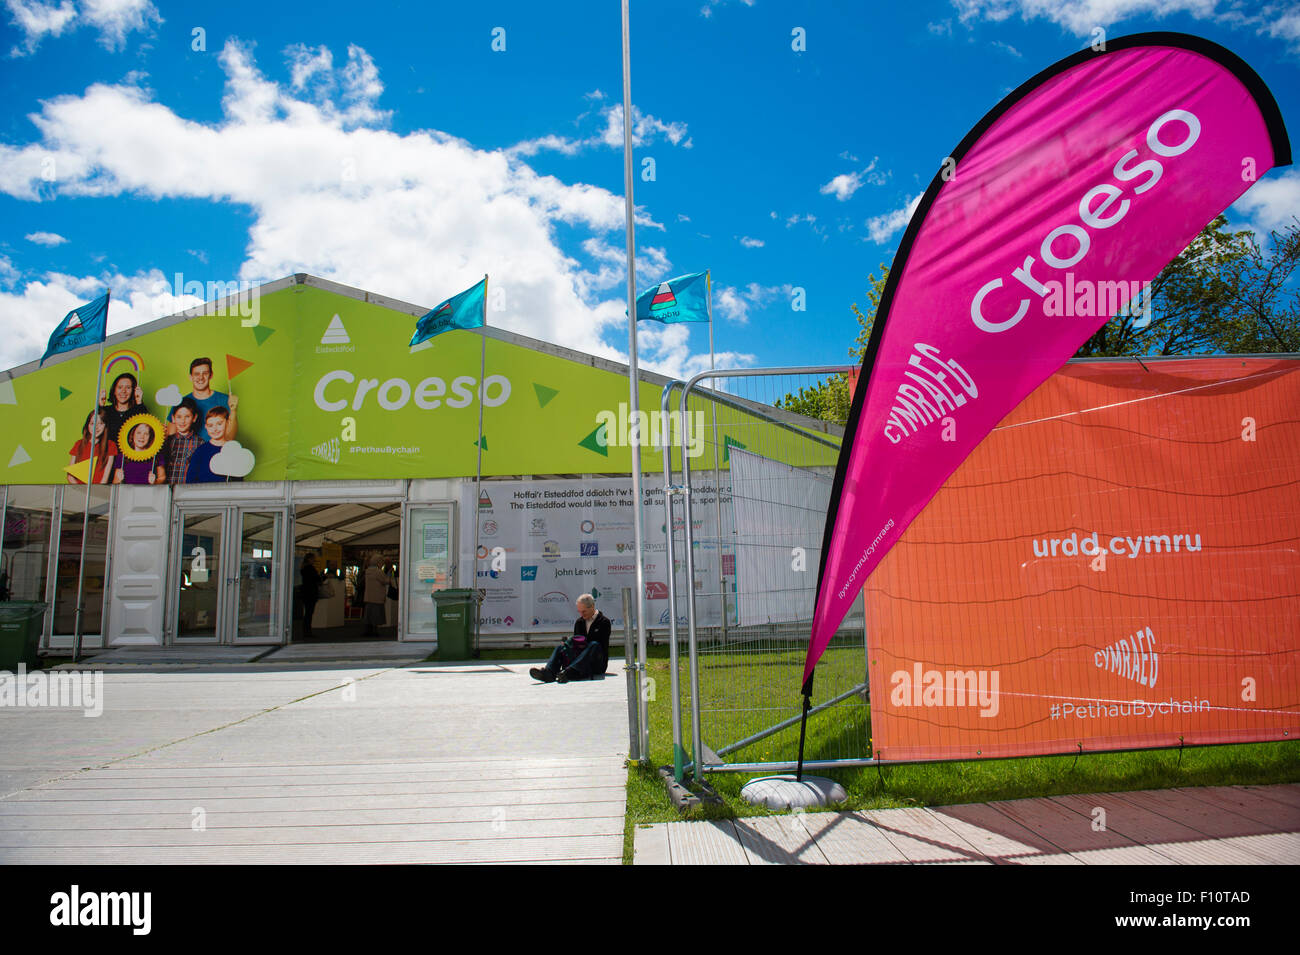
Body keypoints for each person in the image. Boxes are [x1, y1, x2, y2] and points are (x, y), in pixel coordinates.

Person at [529, 593, 610, 683]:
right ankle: (549, 673)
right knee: (560, 648)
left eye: (584, 611)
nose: (581, 614)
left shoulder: (604, 622)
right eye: (579, 611)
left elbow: (601, 647)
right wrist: (569, 643)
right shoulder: (579, 622)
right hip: (579, 660)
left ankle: (569, 672)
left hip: (596, 662)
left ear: (592, 607)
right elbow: (577, 642)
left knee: (594, 645)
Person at [167, 357, 238, 443]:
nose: (201, 377)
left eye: (205, 373)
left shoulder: (225, 400)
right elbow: (171, 436)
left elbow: (230, 437)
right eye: (196, 374)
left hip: (217, 453)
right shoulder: (179, 402)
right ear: (191, 377)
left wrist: (233, 410)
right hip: (188, 454)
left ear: (211, 375)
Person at [67, 408, 117, 485]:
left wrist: (96, 491)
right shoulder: (78, 444)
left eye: (100, 423)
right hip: (79, 490)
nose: (96, 427)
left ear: (105, 426)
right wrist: (81, 490)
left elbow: (105, 477)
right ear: (87, 425)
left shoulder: (111, 445)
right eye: (92, 423)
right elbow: (70, 476)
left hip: (98, 491)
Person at [159, 396, 201, 485]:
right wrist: (160, 440)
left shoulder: (200, 444)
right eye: (179, 417)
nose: (182, 421)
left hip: (187, 492)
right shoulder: (166, 441)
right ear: (173, 418)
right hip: (167, 490)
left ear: (194, 418)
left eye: (187, 417)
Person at [99, 372, 148, 449]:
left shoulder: (138, 411)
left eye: (128, 387)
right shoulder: (105, 411)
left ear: (133, 391)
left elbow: (146, 431)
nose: (123, 391)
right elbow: (93, 431)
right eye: (120, 387)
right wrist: (100, 406)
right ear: (114, 390)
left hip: (130, 458)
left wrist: (139, 402)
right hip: (107, 457)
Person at [185, 407, 232, 483]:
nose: (215, 429)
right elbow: (190, 480)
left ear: (228, 423)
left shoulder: (233, 450)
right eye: (210, 425)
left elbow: (238, 479)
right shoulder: (200, 451)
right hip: (202, 493)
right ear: (206, 427)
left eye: (219, 424)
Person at [362, 557, 390, 636]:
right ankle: (375, 631)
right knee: (376, 615)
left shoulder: (367, 571)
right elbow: (386, 581)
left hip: (368, 596)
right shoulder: (378, 572)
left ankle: (368, 631)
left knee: (369, 615)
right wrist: (389, 574)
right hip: (377, 596)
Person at [301, 555, 321, 639]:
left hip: (306, 593)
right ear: (309, 559)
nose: (314, 560)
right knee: (309, 613)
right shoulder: (310, 569)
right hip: (311, 593)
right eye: (313, 559)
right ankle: (307, 632)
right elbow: (317, 579)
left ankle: (306, 631)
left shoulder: (303, 569)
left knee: (307, 613)